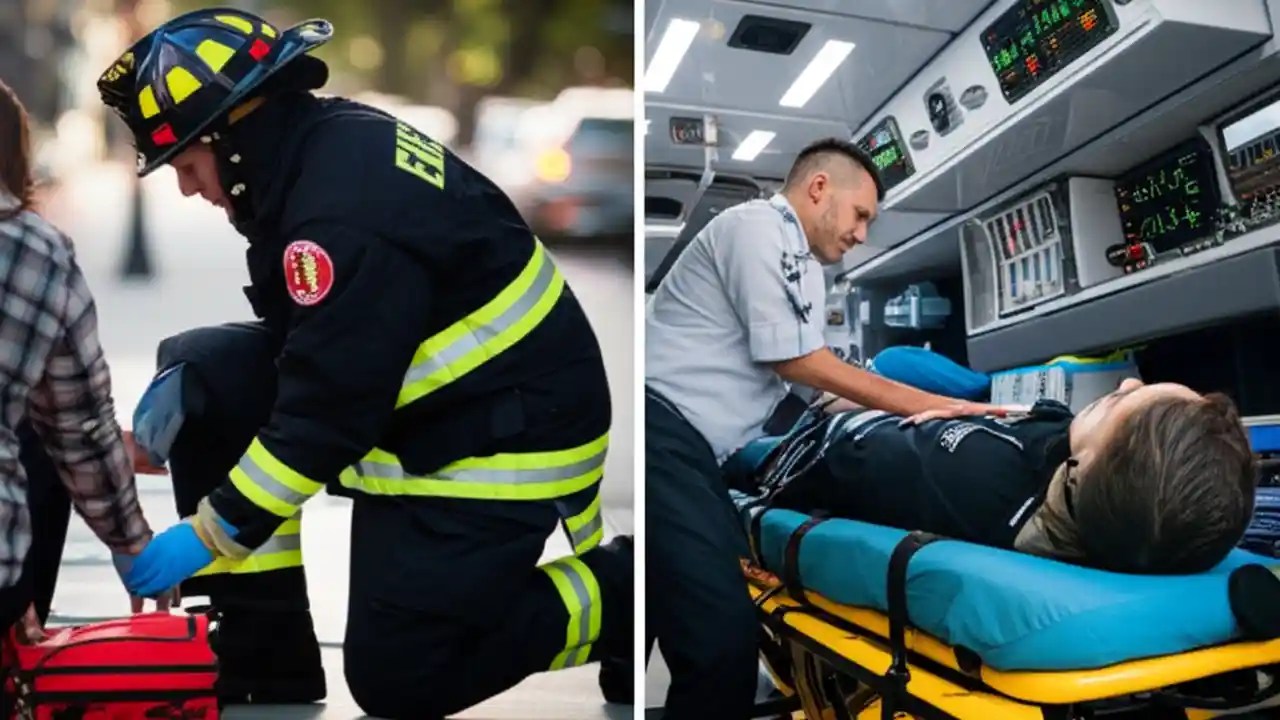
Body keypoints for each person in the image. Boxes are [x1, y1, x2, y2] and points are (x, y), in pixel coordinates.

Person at [94, 9, 632, 718]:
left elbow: (327, 414)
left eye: (187, 165)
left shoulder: (338, 215)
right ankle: (262, 655)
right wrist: (179, 420)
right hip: (444, 410)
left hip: (503, 442)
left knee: (402, 676)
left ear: (232, 138)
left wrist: (208, 533)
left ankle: (630, 593)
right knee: (207, 372)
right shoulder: (318, 153)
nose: (189, 188)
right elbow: (318, 350)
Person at [644, 137, 1015, 719]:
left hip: (690, 449)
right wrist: (932, 402)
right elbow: (797, 362)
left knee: (652, 579)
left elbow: (817, 390)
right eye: (860, 215)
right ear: (819, 188)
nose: (862, 234)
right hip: (663, 432)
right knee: (719, 640)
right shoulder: (754, 229)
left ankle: (619, 666)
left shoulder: (806, 273)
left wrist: (902, 418)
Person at [0, 79, 169, 691]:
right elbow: (80, 429)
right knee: (42, 428)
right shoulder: (33, 252)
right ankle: (20, 643)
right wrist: (134, 545)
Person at [736, 379, 1258, 575]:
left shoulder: (965, 474)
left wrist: (823, 398)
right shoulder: (1102, 493)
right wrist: (981, 409)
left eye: (1116, 401)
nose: (1126, 380)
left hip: (808, 443)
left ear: (1079, 472)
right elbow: (1050, 423)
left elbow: (843, 446)